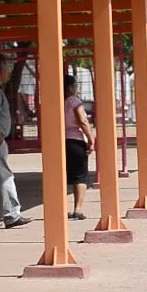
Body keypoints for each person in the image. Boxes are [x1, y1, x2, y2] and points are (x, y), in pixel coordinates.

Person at [0, 53, 31, 228]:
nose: (9, 71)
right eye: (7, 67)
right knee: (4, 176)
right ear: (0, 69)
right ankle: (11, 213)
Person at [63, 75, 96, 220]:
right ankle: (78, 209)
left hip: (61, 141)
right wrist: (91, 138)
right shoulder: (74, 102)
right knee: (80, 176)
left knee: (65, 175)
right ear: (71, 87)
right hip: (75, 140)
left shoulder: (58, 101)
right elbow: (82, 120)